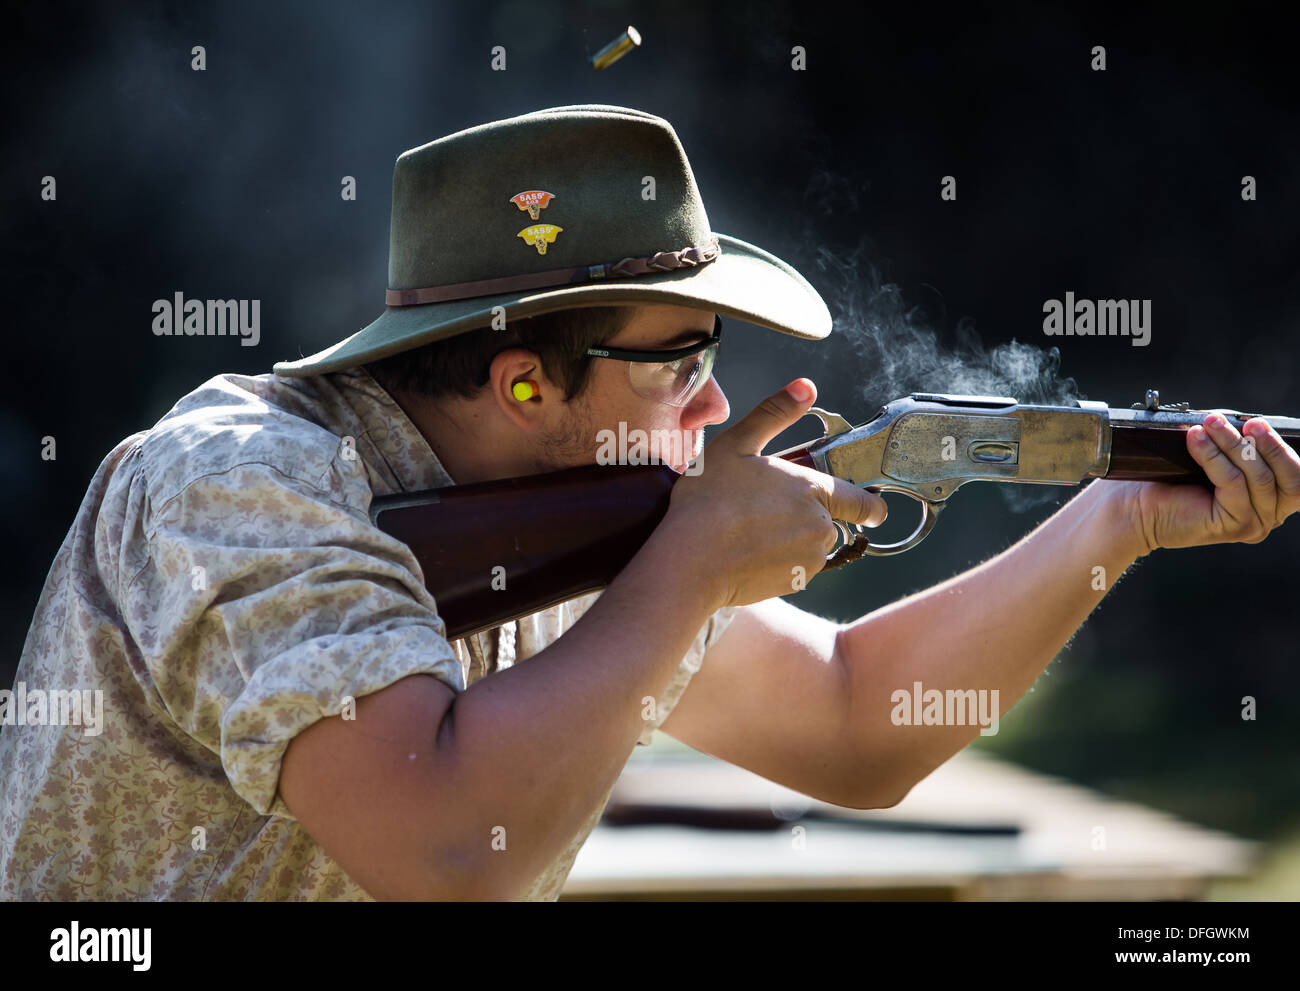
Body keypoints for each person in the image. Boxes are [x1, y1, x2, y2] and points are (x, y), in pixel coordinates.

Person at [2, 106, 1295, 901]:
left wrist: (1114, 519)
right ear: (520, 384)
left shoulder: (562, 515)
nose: (719, 410)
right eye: (682, 365)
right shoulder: (236, 485)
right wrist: (690, 572)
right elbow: (457, 862)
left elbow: (857, 723)